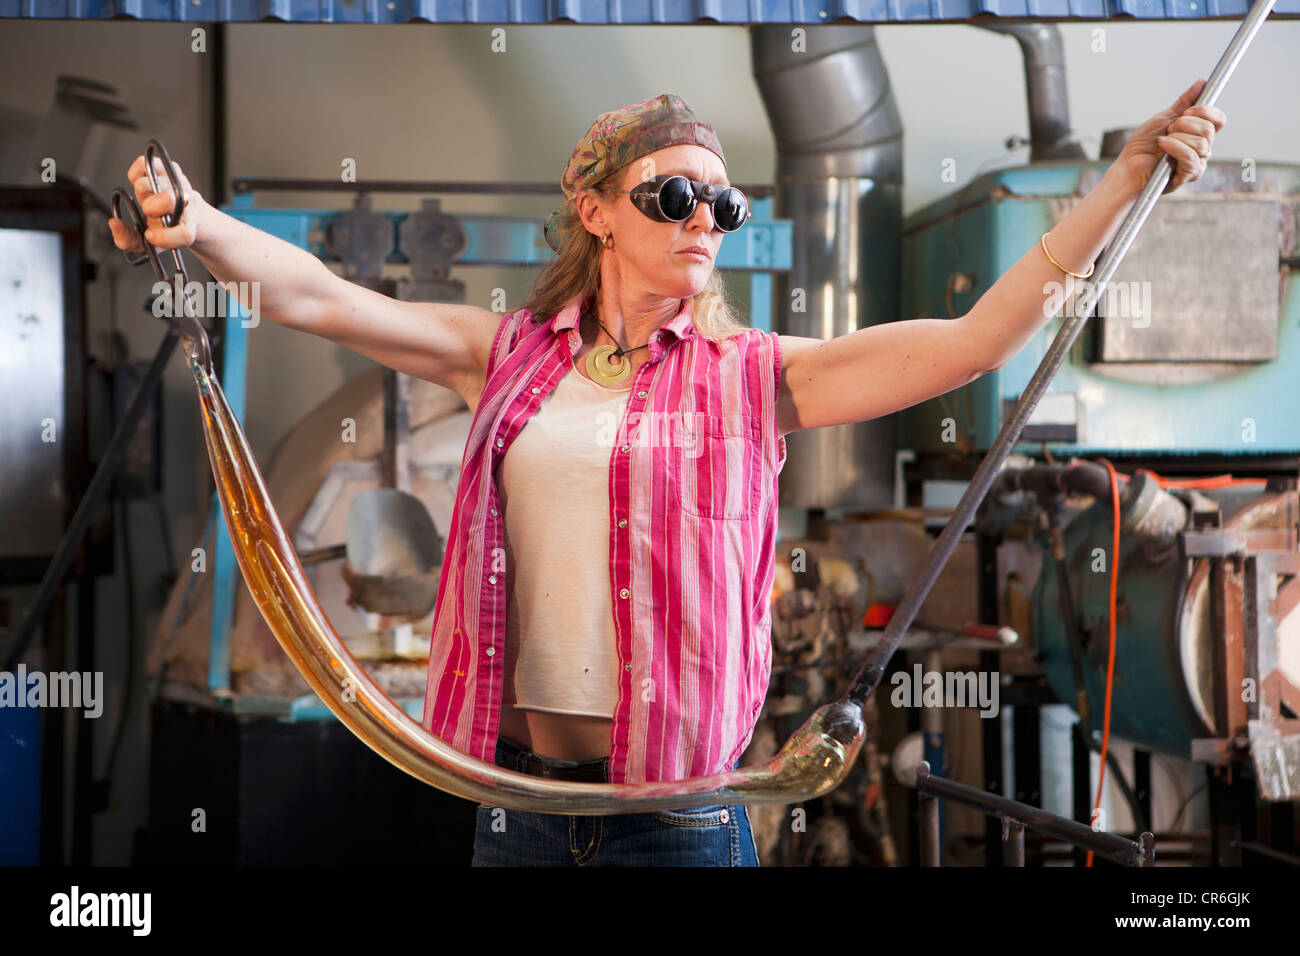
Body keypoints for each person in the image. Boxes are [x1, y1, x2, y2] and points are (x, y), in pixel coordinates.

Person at [111, 86, 1223, 867]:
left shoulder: (755, 377)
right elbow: (315, 296)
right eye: (669, 196)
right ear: (594, 211)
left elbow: (976, 338)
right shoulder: (505, 355)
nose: (704, 217)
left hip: (683, 819)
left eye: (722, 205)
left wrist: (1118, 183)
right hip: (514, 803)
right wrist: (199, 222)